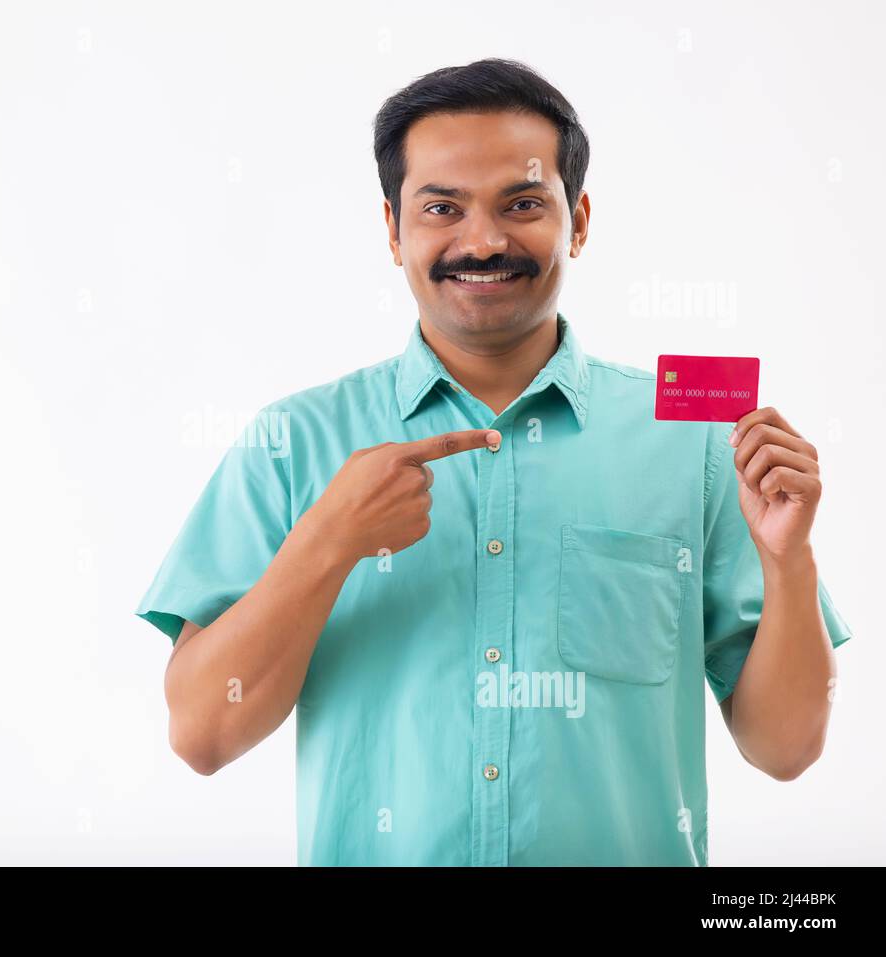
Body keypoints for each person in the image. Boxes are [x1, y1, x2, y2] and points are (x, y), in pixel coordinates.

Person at [134, 58, 853, 866]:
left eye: (523, 204)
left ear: (578, 221)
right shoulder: (293, 443)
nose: (482, 240)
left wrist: (788, 562)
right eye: (442, 207)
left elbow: (786, 748)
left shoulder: (694, 443)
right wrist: (328, 541)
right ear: (393, 229)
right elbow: (202, 733)